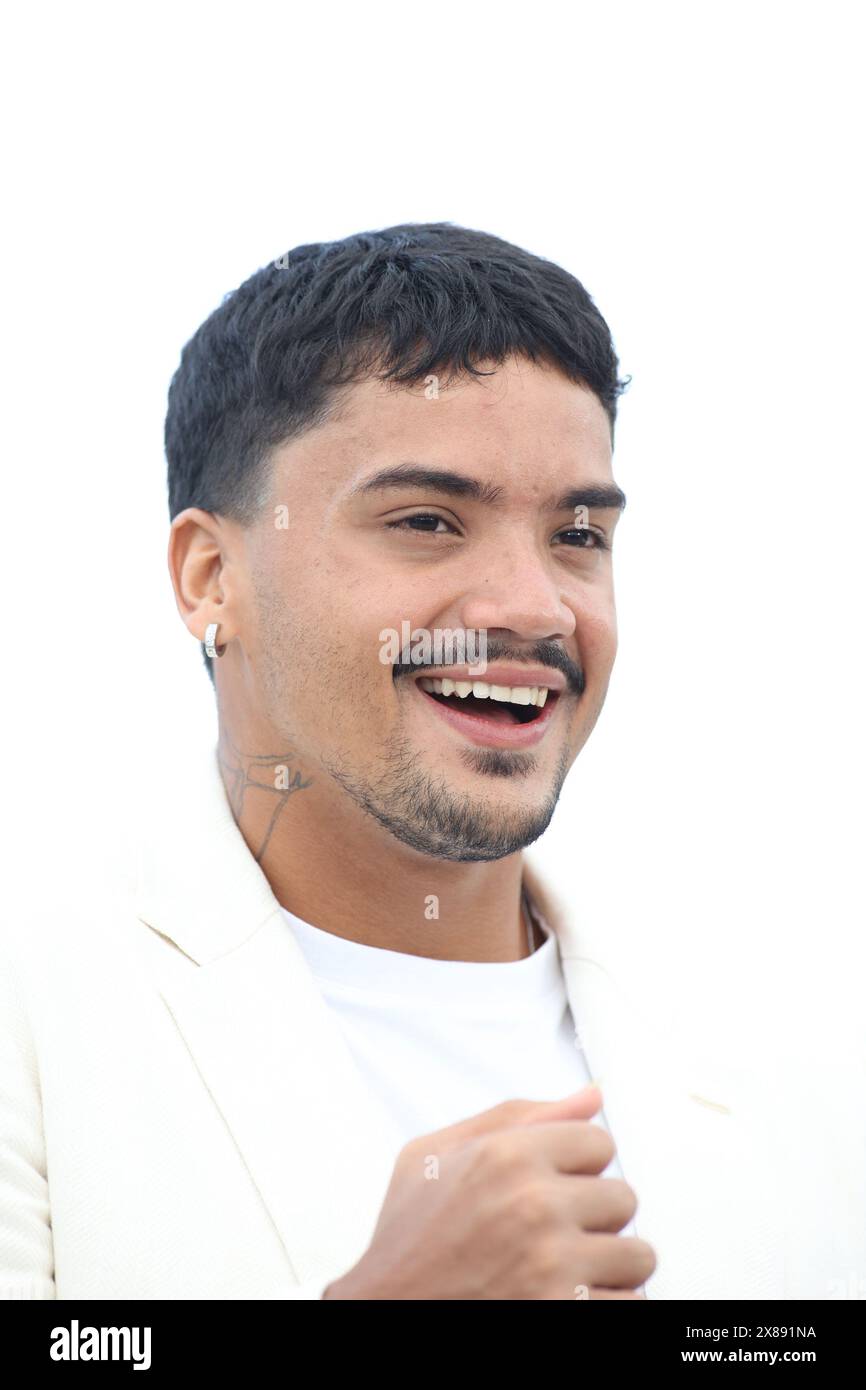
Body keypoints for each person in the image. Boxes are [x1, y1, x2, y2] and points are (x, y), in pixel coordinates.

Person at [0, 223, 786, 1299]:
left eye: (576, 535)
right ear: (208, 576)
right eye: (426, 519)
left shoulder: (785, 1058)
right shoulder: (36, 1010)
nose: (533, 607)